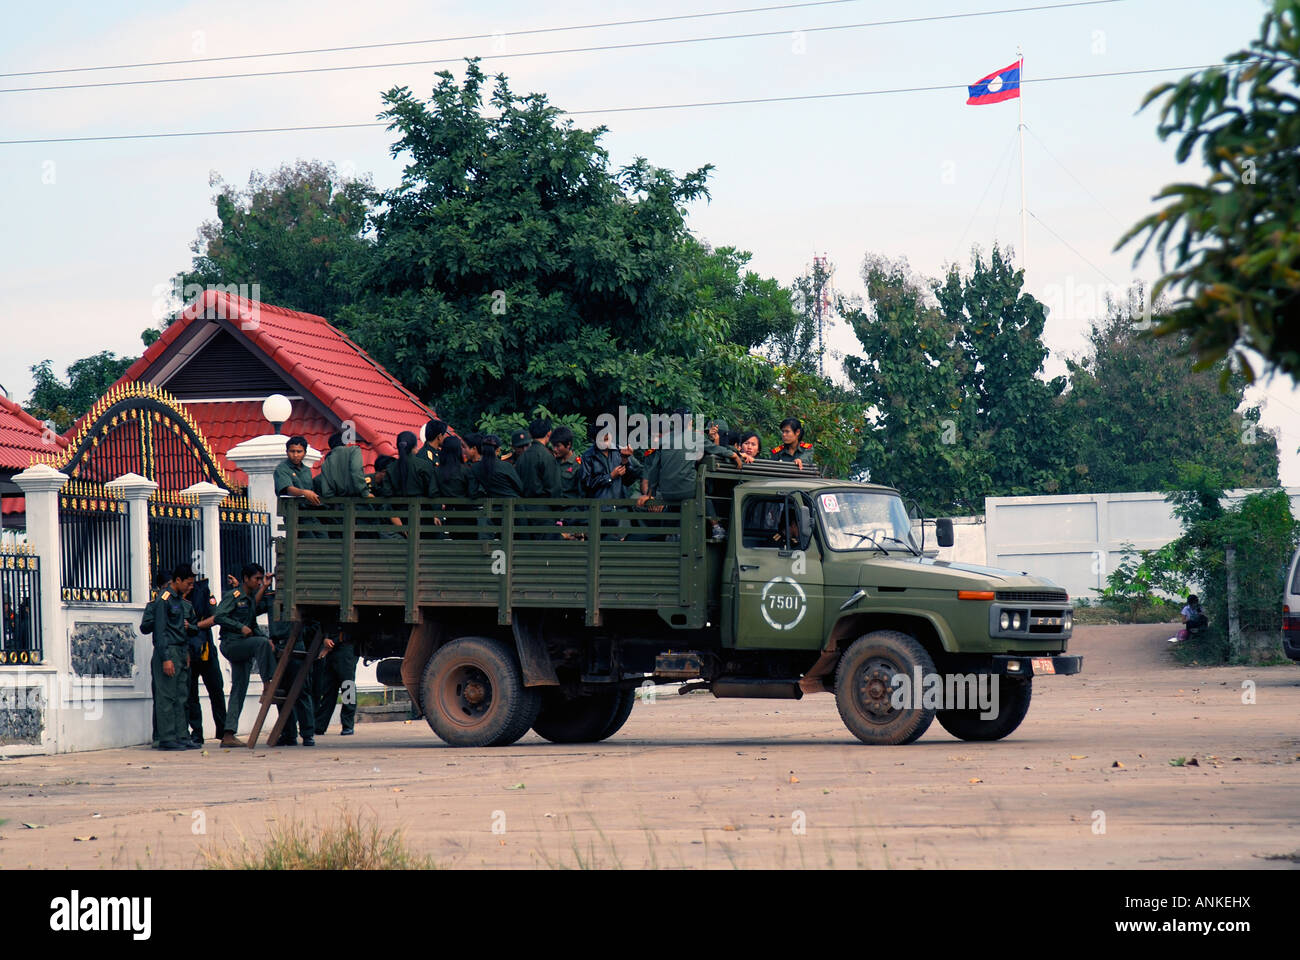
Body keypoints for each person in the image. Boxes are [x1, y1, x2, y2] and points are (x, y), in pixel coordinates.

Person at [214, 563, 276, 748]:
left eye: (260, 578)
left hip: (242, 645)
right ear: (246, 579)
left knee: (239, 689)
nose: (259, 582)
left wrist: (264, 638)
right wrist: (240, 627)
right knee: (261, 644)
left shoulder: (249, 599)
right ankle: (267, 684)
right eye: (256, 578)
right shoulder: (234, 596)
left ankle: (228, 734)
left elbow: (252, 625)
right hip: (232, 643)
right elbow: (219, 616)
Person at [141, 563, 199, 751]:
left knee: (181, 695)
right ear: (178, 580)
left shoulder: (181, 601)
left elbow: (183, 629)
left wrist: (187, 652)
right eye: (188, 583)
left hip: (181, 651)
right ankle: (166, 737)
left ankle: (181, 735)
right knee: (167, 696)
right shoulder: (163, 600)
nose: (191, 587)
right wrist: (166, 658)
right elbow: (160, 631)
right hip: (168, 651)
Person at [184, 575, 226, 747]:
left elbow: (215, 618)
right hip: (188, 654)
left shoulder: (203, 592)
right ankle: (197, 734)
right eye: (188, 584)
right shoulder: (175, 599)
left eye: (191, 584)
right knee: (191, 696)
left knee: (216, 691)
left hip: (206, 651)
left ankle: (224, 732)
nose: (190, 587)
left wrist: (195, 626)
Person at [314, 628, 358, 738]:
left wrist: (329, 640)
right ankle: (320, 725)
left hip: (345, 646)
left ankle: (347, 725)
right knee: (329, 689)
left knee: (347, 687)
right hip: (335, 648)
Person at [515, 419, 563, 498]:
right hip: (543, 506)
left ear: (529, 435)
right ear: (549, 434)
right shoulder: (547, 456)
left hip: (523, 506)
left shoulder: (522, 457)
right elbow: (554, 488)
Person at [319, 431, 368, 498]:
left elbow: (326, 492)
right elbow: (356, 470)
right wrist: (365, 492)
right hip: (357, 502)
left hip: (339, 505)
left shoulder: (325, 463)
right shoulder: (354, 450)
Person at [273, 436, 320, 504]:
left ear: (305, 453)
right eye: (292, 451)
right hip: (291, 509)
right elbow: (288, 489)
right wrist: (304, 492)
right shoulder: (281, 469)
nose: (295, 455)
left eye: (299, 452)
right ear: (287, 452)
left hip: (308, 509)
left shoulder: (307, 470)